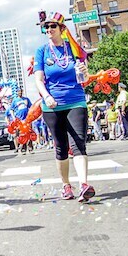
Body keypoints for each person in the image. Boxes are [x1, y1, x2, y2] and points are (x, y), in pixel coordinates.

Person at [32, 13, 93, 202]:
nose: (48, 30)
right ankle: (66, 185)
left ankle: (84, 184)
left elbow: (85, 77)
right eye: (46, 27)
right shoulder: (42, 51)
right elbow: (39, 79)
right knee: (61, 147)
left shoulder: (73, 48)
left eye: (52, 26)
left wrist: (84, 72)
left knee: (78, 143)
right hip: (52, 105)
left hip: (75, 100)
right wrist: (46, 96)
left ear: (62, 29)